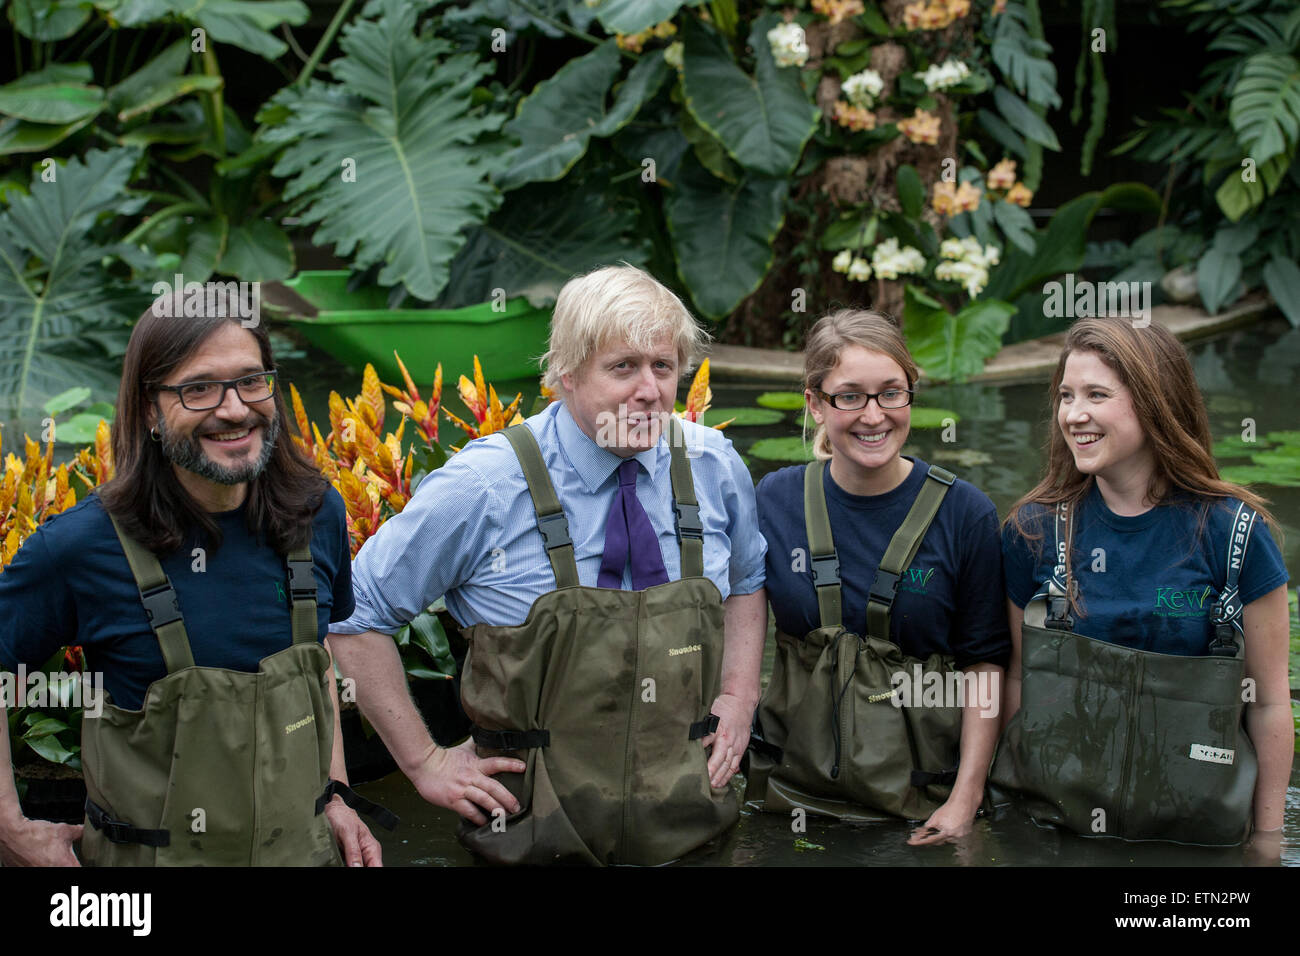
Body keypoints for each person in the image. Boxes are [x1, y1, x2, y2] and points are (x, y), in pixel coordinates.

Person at [328, 264, 768, 866]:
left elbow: (746, 581)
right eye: (622, 367)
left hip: (691, 830)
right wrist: (425, 762)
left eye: (663, 367)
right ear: (565, 373)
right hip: (526, 841)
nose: (650, 390)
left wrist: (740, 697)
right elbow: (355, 614)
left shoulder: (714, 467)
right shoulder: (484, 485)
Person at [0, 305, 389, 866]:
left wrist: (336, 795)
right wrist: (12, 829)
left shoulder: (315, 513)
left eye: (250, 381)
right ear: (149, 413)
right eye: (199, 389)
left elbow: (314, 662)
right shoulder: (82, 547)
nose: (234, 410)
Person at [993, 316, 1292, 849]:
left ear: (1155, 404)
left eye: (1097, 395)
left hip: (1196, 838)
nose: (1073, 414)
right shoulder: (1033, 531)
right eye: (1065, 395)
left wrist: (1267, 842)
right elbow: (1017, 681)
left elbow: (1269, 702)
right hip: (1058, 831)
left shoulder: (1234, 535)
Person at [746, 310, 1009, 843]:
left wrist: (965, 799)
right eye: (850, 396)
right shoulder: (774, 499)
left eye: (892, 393)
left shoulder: (965, 513)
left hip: (921, 801)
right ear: (815, 403)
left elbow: (985, 662)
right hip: (790, 791)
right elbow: (740, 628)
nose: (873, 415)